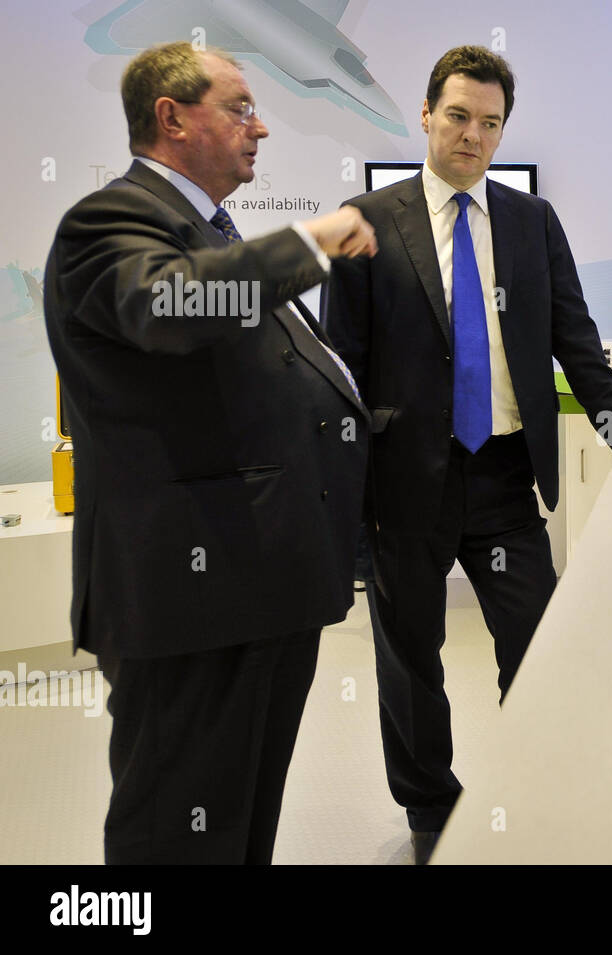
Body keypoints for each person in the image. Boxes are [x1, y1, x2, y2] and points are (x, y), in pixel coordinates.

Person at [43, 41, 378, 864]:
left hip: (257, 590)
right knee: (177, 833)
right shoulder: (109, 222)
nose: (260, 127)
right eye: (239, 107)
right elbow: (176, 305)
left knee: (237, 823)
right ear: (171, 117)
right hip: (193, 601)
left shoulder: (208, 232)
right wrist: (309, 244)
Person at [324, 45, 612, 863]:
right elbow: (342, 368)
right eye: (458, 116)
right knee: (410, 658)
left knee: (537, 643)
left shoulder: (531, 223)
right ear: (426, 115)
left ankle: (537, 782)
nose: (473, 135)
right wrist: (349, 500)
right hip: (405, 481)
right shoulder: (368, 222)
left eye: (490, 123)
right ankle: (431, 810)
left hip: (502, 472)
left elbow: (573, 332)